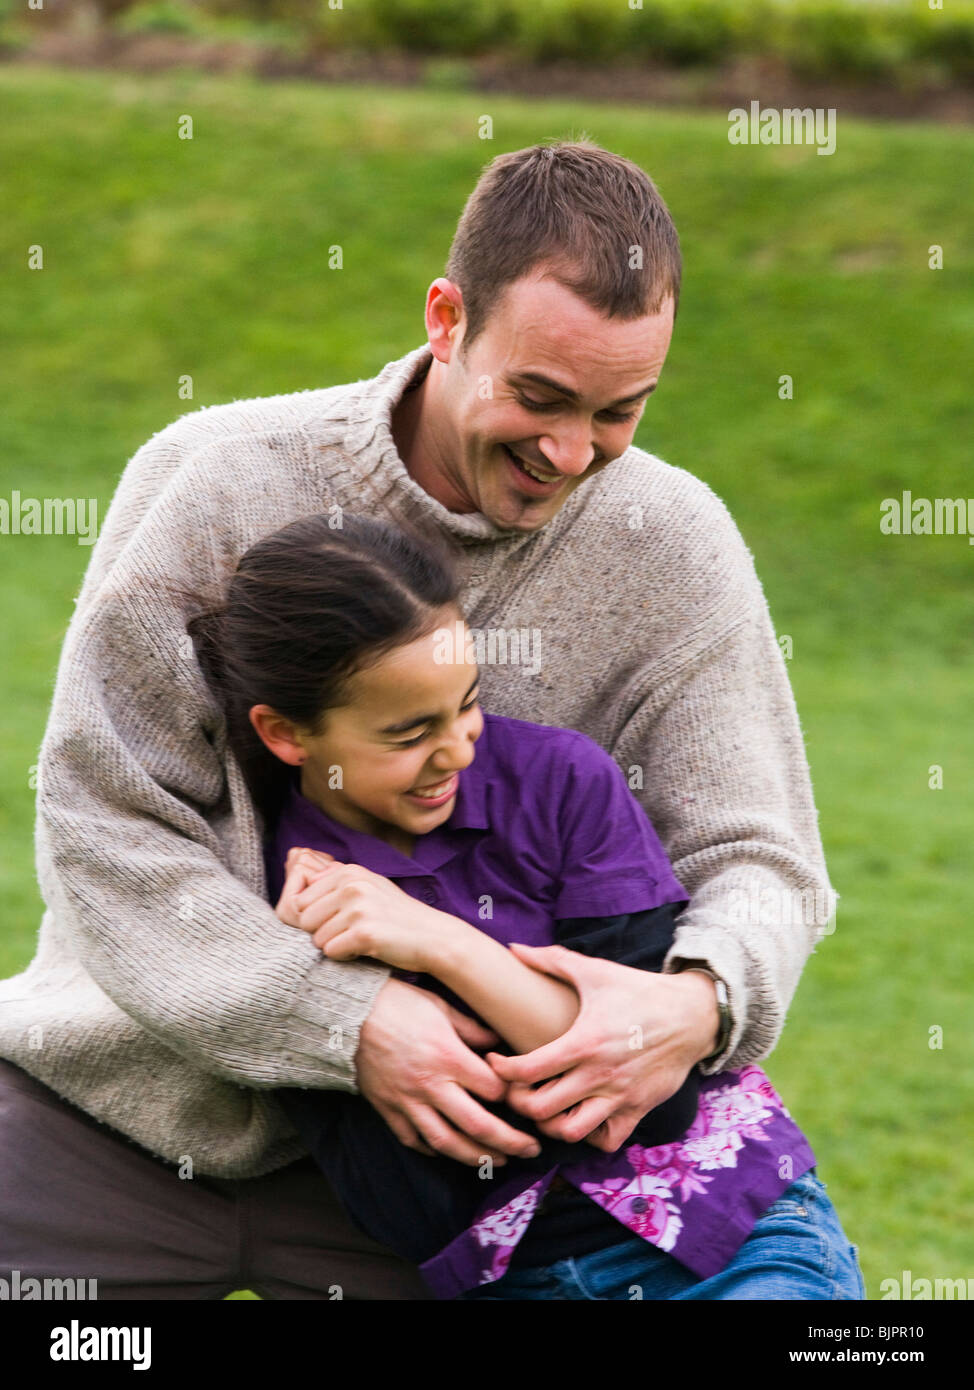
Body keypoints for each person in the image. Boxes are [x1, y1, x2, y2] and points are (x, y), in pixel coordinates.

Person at [0, 139, 846, 1299]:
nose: (568, 452)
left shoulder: (676, 546)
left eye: (618, 412)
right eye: (538, 397)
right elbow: (106, 825)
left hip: (442, 1195)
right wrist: (343, 1019)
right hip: (116, 1120)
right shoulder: (213, 480)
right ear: (446, 318)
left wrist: (694, 1002)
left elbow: (759, 858)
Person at [185, 509, 861, 1300]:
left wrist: (441, 945)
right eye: (409, 735)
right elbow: (408, 1202)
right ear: (287, 735)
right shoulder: (270, 905)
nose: (457, 750)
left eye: (466, 704)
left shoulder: (562, 783)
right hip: (508, 1278)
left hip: (726, 1233)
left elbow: (657, 1092)